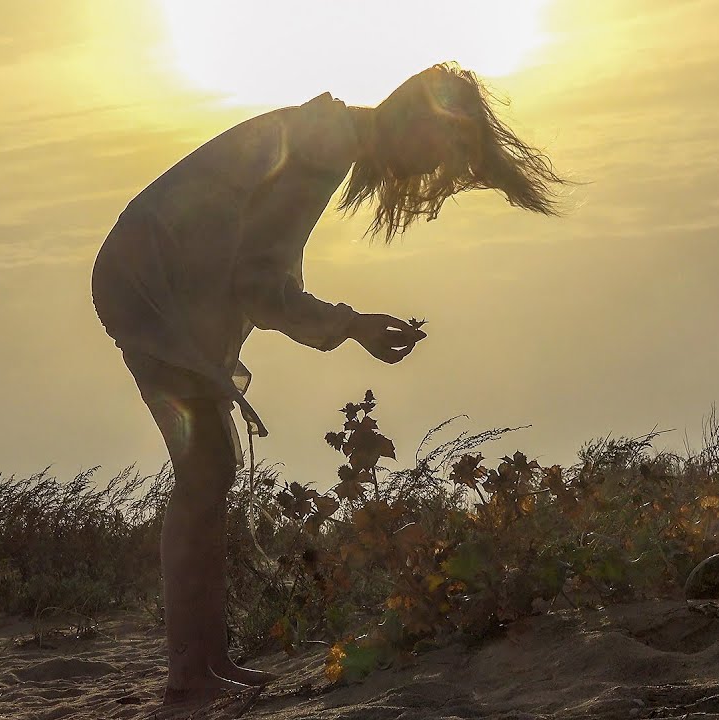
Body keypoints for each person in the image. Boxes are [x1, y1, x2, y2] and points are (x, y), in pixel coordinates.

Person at [90, 61, 572, 708]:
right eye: (442, 146)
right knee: (204, 471)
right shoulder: (324, 145)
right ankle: (189, 669)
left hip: (154, 277)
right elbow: (256, 284)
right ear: (415, 118)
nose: (435, 170)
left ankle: (206, 657)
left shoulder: (332, 137)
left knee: (211, 469)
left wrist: (347, 325)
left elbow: (248, 270)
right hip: (151, 285)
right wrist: (351, 325)